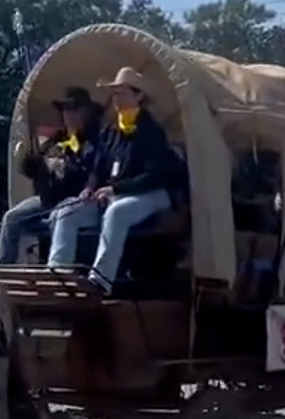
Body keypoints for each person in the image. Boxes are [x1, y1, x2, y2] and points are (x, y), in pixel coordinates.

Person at [45, 67, 187, 294]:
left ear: (138, 95)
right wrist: (90, 188)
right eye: (115, 94)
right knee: (67, 211)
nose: (116, 98)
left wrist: (115, 189)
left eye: (122, 93)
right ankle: (58, 276)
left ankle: (100, 281)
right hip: (117, 193)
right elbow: (99, 166)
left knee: (117, 212)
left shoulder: (150, 131)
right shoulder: (110, 131)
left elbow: (154, 175)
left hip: (154, 194)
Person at [0, 86, 99, 264]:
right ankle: (3, 269)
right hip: (46, 200)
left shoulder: (93, 142)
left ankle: (56, 269)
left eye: (75, 109)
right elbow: (31, 170)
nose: (69, 115)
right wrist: (29, 157)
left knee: (60, 216)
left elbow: (90, 173)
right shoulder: (56, 140)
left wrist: (63, 165)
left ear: (86, 113)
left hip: (74, 202)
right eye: (66, 110)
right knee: (12, 218)